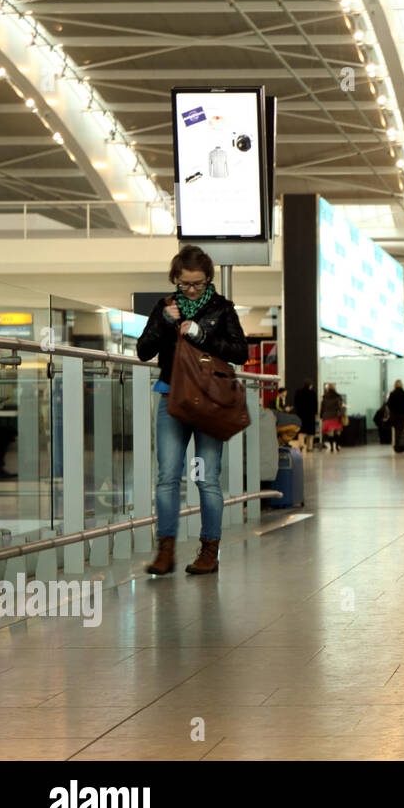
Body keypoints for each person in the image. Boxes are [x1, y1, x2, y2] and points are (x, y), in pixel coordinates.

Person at [136, 244, 248, 576]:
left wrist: (202, 335)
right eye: (185, 283)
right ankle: (165, 550)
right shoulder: (165, 307)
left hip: (210, 405)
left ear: (208, 279)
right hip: (172, 399)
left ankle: (209, 551)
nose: (191, 289)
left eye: (197, 283)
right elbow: (144, 351)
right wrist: (163, 325)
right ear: (175, 279)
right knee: (168, 476)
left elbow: (240, 351)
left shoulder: (222, 309)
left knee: (206, 478)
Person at [386, 380, 404, 448]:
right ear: (402, 385)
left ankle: (396, 444)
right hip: (402, 415)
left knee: (396, 430)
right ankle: (400, 444)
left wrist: (391, 411)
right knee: (401, 429)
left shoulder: (392, 394)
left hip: (394, 415)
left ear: (395, 385)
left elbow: (388, 404)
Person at [319, 384, 346, 452]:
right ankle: (337, 446)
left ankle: (331, 447)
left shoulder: (325, 397)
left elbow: (322, 408)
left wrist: (321, 415)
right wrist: (342, 413)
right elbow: (340, 407)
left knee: (330, 433)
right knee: (338, 432)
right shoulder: (338, 397)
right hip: (335, 416)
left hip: (327, 416)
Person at [294, 380, 317, 451]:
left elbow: (296, 403)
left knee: (301, 431)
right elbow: (315, 404)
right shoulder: (312, 393)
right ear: (310, 385)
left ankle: (301, 445)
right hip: (310, 415)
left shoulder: (298, 392)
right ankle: (309, 447)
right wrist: (315, 412)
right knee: (310, 432)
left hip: (301, 415)